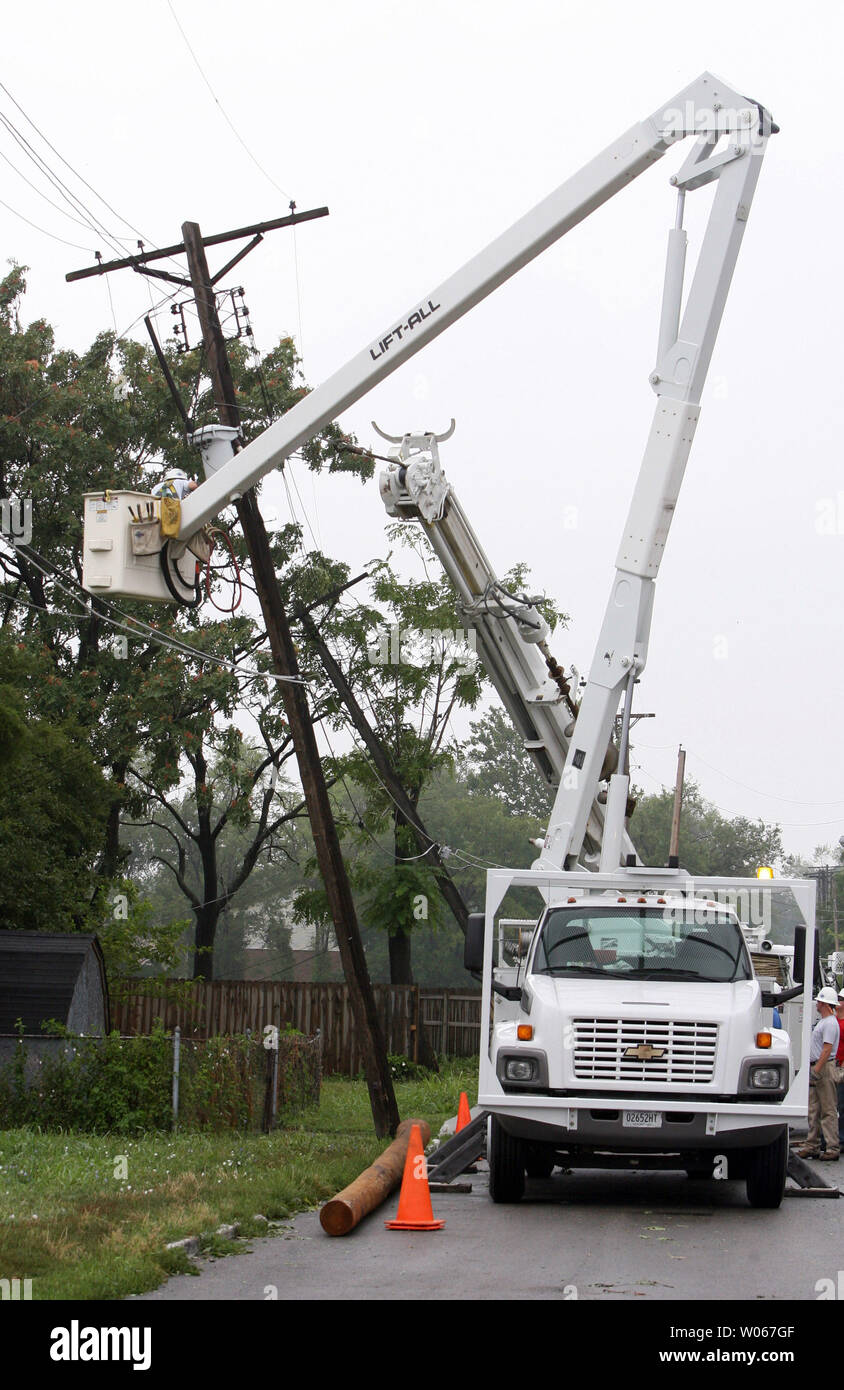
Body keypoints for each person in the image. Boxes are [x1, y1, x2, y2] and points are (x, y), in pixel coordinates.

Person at [796, 987, 841, 1161]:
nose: (817, 1003)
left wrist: (816, 1069)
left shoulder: (829, 1023)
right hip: (819, 1066)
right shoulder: (826, 1022)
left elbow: (827, 1048)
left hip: (823, 1067)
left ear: (824, 1003)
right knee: (814, 1108)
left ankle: (831, 1147)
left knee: (827, 1108)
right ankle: (813, 1144)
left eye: (819, 1001)